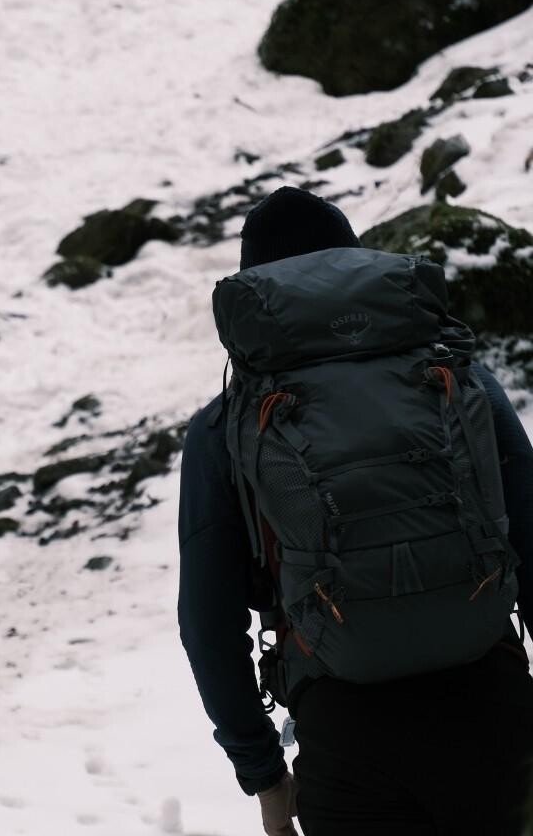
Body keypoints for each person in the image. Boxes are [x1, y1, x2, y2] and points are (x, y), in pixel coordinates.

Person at [178, 186, 533, 835]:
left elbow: (207, 624)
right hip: (495, 706)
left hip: (349, 737)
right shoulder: (459, 379)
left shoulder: (224, 428)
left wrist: (265, 777)